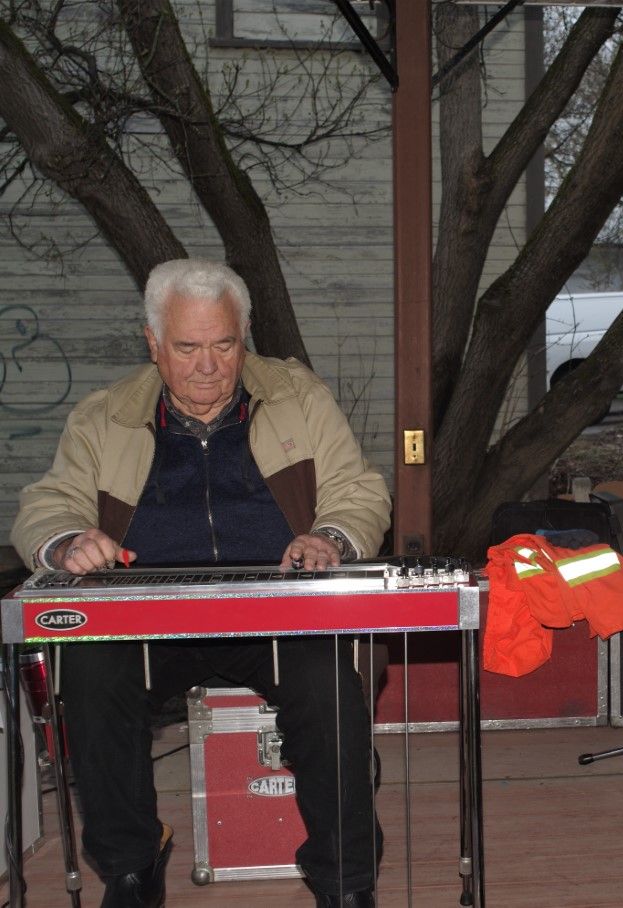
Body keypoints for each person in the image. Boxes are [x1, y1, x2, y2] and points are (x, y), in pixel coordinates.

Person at [11, 258, 392, 908]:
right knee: (91, 680)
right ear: (153, 344)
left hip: (276, 611)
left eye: (224, 345)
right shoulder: (104, 417)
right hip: (147, 618)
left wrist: (328, 537)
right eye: (187, 348)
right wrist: (68, 541)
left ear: (244, 337)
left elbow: (358, 491)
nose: (209, 365)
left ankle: (345, 882)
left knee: (328, 687)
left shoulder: (299, 397)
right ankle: (131, 865)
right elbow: (45, 504)